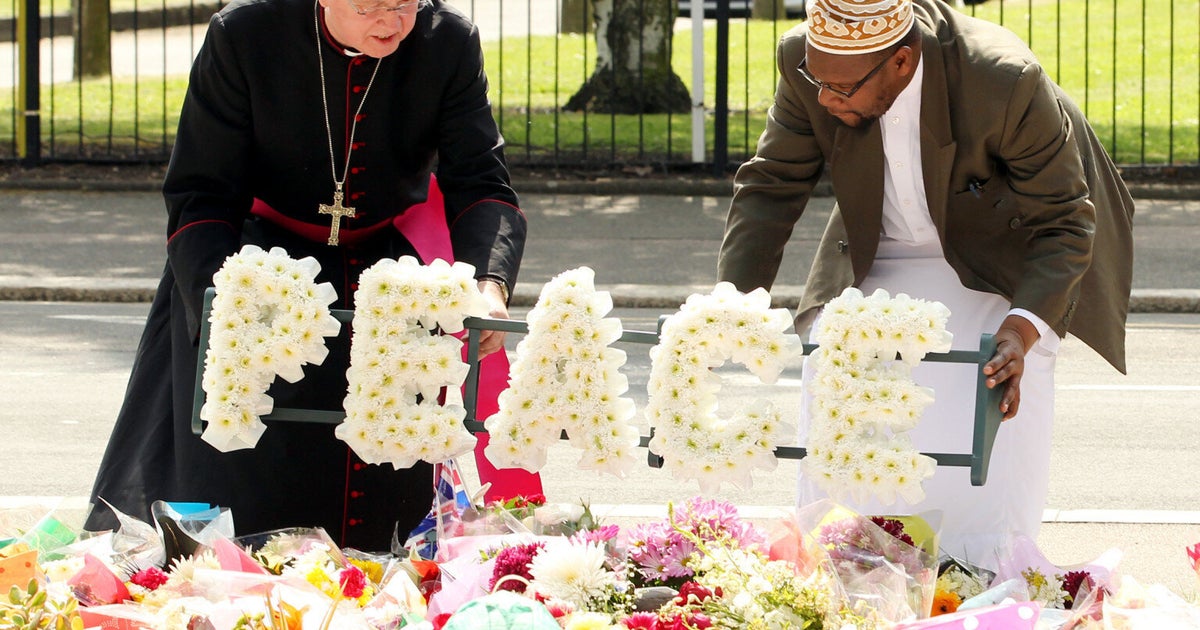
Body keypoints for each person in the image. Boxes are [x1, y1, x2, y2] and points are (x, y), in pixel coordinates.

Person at [85, 0, 536, 551]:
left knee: (386, 484)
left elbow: (482, 184)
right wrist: (226, 304)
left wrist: (489, 286)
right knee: (242, 477)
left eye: (405, 4)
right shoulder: (244, 33)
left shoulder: (448, 40)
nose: (392, 23)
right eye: (373, 5)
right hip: (251, 271)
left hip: (386, 275)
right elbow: (200, 194)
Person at [717, 0, 1134, 566]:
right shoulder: (814, 63)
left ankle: (981, 570)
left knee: (988, 385)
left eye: (842, 88)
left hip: (1009, 241)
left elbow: (1062, 222)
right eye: (817, 79)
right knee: (836, 371)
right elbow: (771, 186)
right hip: (881, 241)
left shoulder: (1004, 80)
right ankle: (839, 563)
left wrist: (1022, 329)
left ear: (901, 61)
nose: (824, 98)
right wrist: (731, 306)